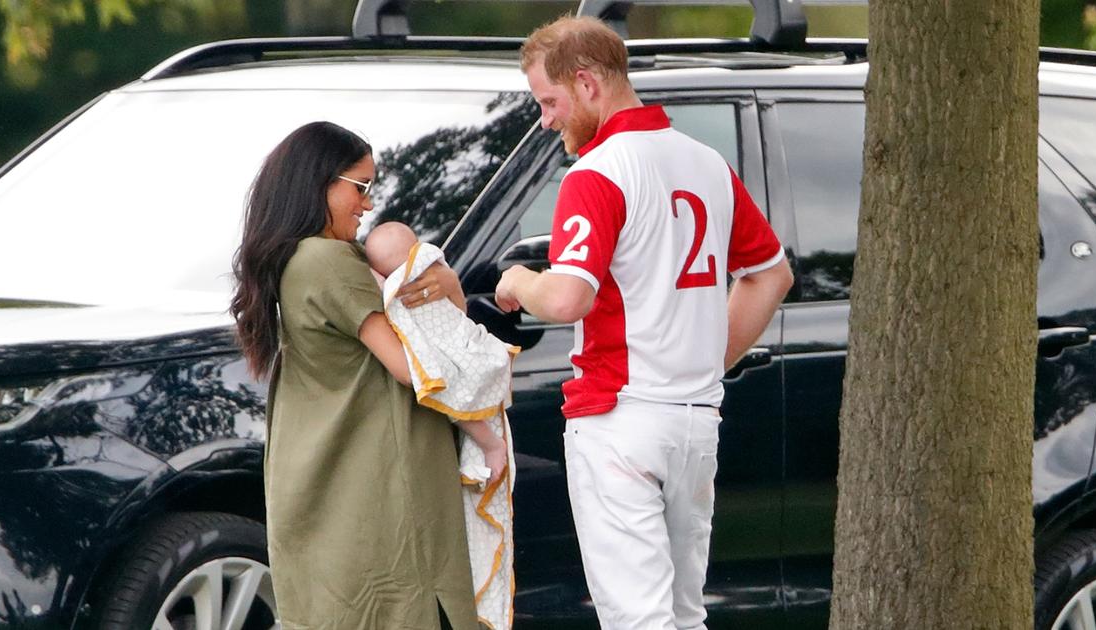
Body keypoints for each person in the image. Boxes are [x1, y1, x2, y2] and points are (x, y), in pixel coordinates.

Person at [495, 16, 795, 630]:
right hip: (695, 420)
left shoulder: (597, 171)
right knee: (684, 615)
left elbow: (568, 298)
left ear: (586, 84)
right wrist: (708, 358)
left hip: (619, 418)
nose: (547, 120)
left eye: (549, 103)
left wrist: (518, 282)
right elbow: (771, 274)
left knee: (639, 619)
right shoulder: (706, 161)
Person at [230, 121, 478, 630]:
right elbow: (415, 368)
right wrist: (448, 289)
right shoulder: (328, 260)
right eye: (360, 187)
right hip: (375, 498)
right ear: (319, 181)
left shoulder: (295, 260)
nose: (367, 205)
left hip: (330, 495)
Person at [366, 220, 517, 630]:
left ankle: (489, 447)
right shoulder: (404, 277)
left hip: (455, 369)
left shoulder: (422, 276)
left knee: (461, 395)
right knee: (462, 397)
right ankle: (490, 446)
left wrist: (448, 284)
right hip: (450, 381)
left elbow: (454, 319)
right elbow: (420, 363)